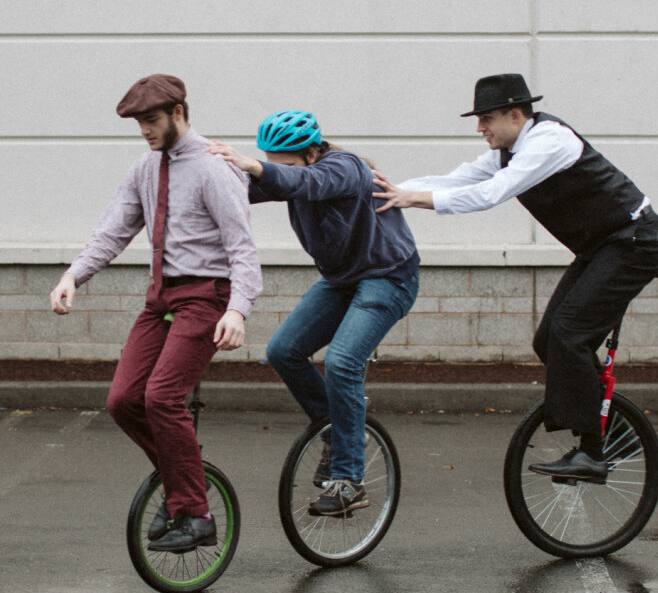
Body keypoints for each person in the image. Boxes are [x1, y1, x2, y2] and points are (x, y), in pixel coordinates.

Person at [373, 72, 658, 481]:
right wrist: (385, 192)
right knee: (549, 340)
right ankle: (614, 432)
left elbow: (492, 193)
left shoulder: (549, 142)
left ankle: (593, 452)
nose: (480, 128)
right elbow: (455, 180)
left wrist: (413, 199)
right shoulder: (508, 150)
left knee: (570, 333)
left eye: (486, 118)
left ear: (515, 115)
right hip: (603, 247)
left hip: (634, 241)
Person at [49, 75, 262, 553]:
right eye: (138, 123)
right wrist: (72, 276)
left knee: (162, 398)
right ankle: (185, 475)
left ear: (179, 112)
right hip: (162, 298)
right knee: (123, 401)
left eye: (150, 120)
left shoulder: (214, 167)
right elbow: (113, 230)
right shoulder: (144, 169)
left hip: (207, 297)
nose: (144, 130)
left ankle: (195, 513)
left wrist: (238, 309)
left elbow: (242, 247)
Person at [207, 111, 419, 517]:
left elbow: (305, 183)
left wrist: (257, 165)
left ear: (309, 152)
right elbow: (245, 188)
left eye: (282, 160)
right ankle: (335, 430)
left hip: (388, 278)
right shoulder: (290, 173)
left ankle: (349, 480)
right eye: (269, 158)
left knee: (342, 361)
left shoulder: (344, 168)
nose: (273, 167)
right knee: (283, 350)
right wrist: (197, 173)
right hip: (342, 281)